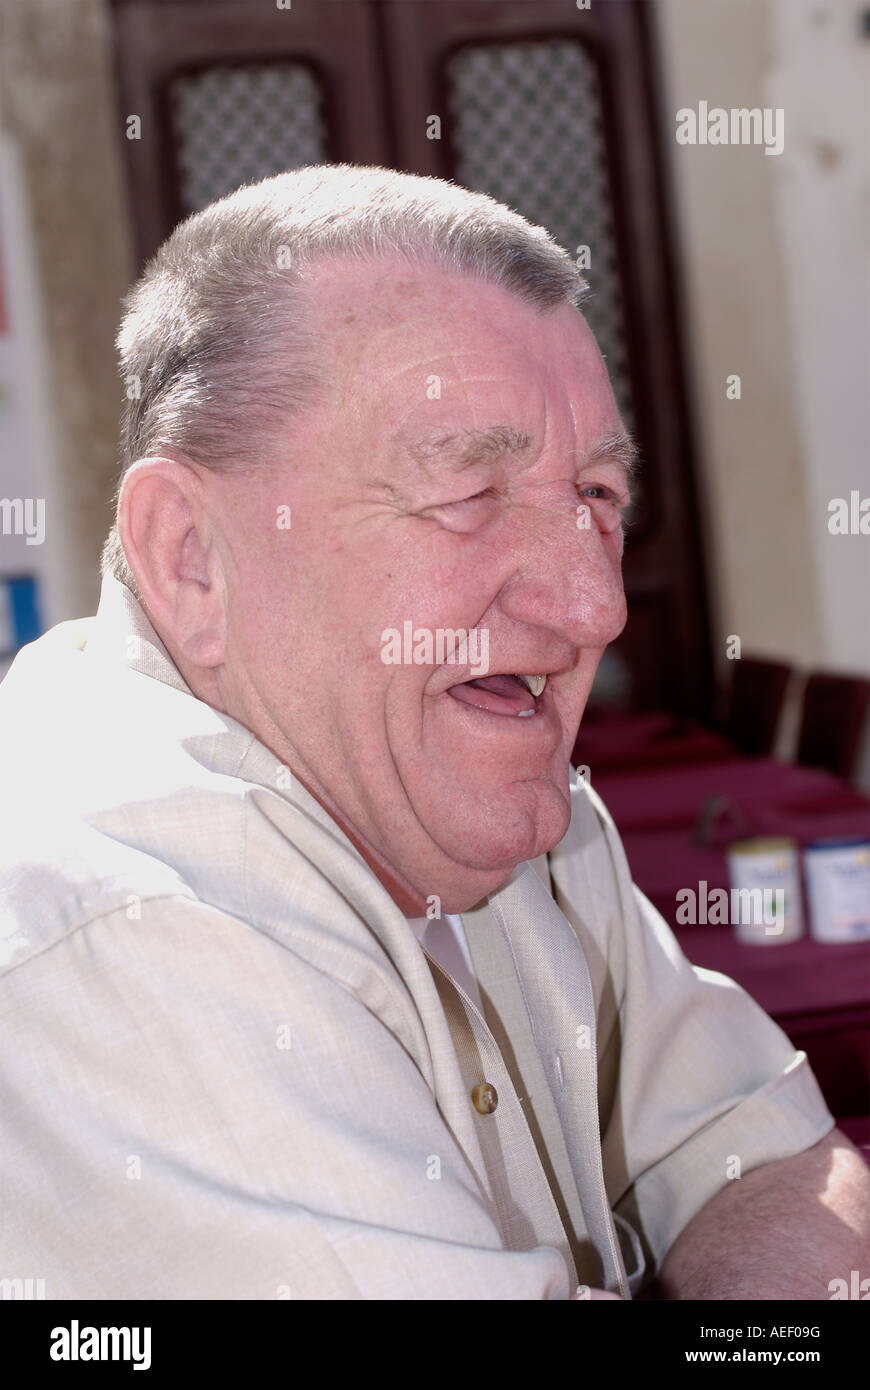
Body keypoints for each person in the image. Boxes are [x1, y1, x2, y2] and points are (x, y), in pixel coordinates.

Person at [0, 165, 867, 1300]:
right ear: (190, 557)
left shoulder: (497, 805)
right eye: (468, 497)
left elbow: (760, 1152)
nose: (594, 606)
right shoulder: (124, 932)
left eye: (598, 498)